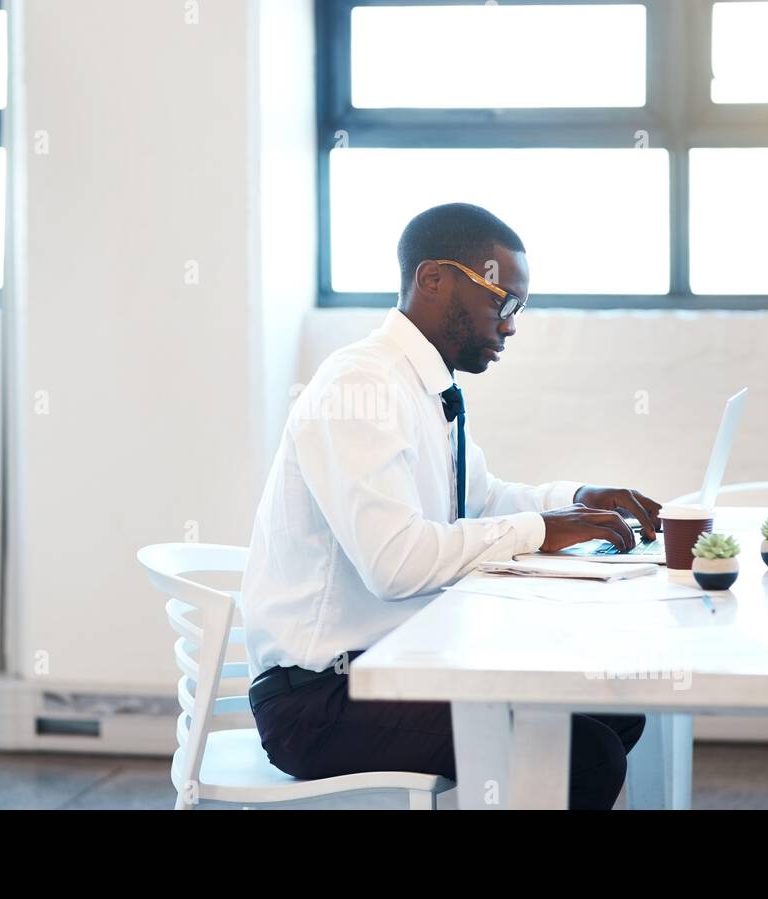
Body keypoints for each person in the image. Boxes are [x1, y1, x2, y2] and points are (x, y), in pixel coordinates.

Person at [240, 202, 661, 808]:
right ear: (433, 279)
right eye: (503, 303)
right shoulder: (360, 386)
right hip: (318, 700)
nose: (510, 327)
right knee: (583, 755)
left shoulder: (427, 389)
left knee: (613, 716)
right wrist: (541, 529)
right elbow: (395, 564)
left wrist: (576, 501)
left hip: (395, 669)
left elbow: (481, 500)